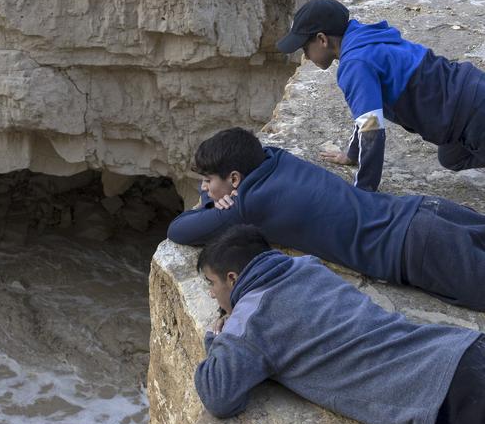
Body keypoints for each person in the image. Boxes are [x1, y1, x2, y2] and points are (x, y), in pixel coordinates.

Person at [195, 224, 485, 424]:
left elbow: (218, 396)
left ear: (232, 278)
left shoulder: (250, 321)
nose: (210, 294)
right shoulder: (305, 266)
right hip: (461, 346)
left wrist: (217, 338)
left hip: (445, 396)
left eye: (211, 283)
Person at [167, 127, 485, 310]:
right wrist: (215, 190)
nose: (204, 188)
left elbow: (178, 230)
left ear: (235, 179)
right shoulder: (275, 157)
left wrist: (211, 201)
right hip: (424, 209)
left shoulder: (247, 205)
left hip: (414, 247)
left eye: (208, 180)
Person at [277, 0, 485, 191]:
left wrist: (364, 193)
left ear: (322, 39)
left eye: (305, 47)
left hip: (473, 112)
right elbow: (365, 117)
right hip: (470, 97)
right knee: (451, 158)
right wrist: (353, 155)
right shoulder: (363, 38)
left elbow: (372, 131)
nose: (305, 55)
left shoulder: (355, 64)